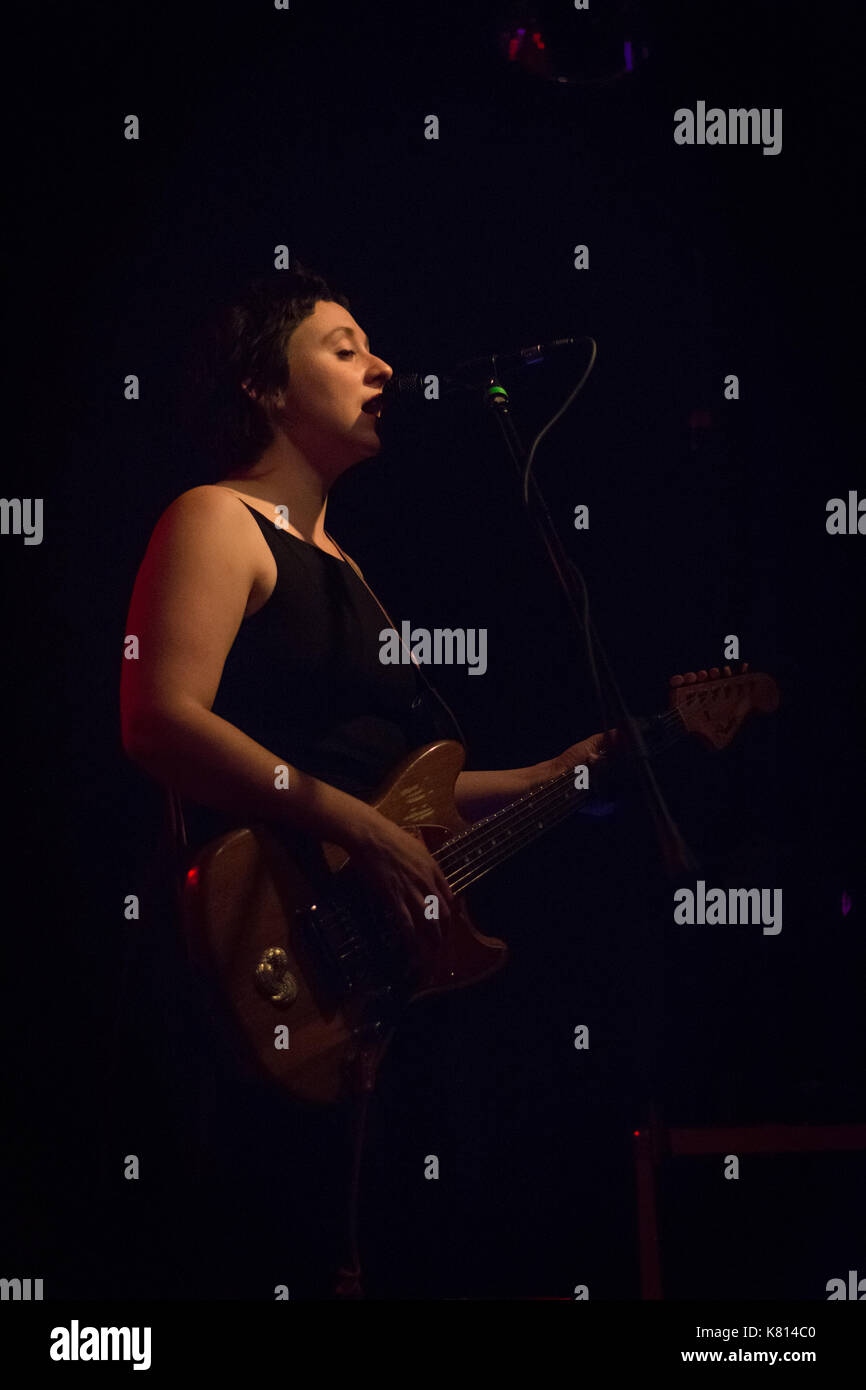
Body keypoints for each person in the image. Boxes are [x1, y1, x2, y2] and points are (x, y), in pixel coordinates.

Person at [119, 267, 610, 1297]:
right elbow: (160, 717)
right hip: (256, 939)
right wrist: (355, 824)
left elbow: (398, 791)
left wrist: (545, 776)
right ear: (262, 385)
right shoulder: (216, 517)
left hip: (358, 970)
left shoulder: (343, 561)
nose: (380, 365)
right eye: (343, 348)